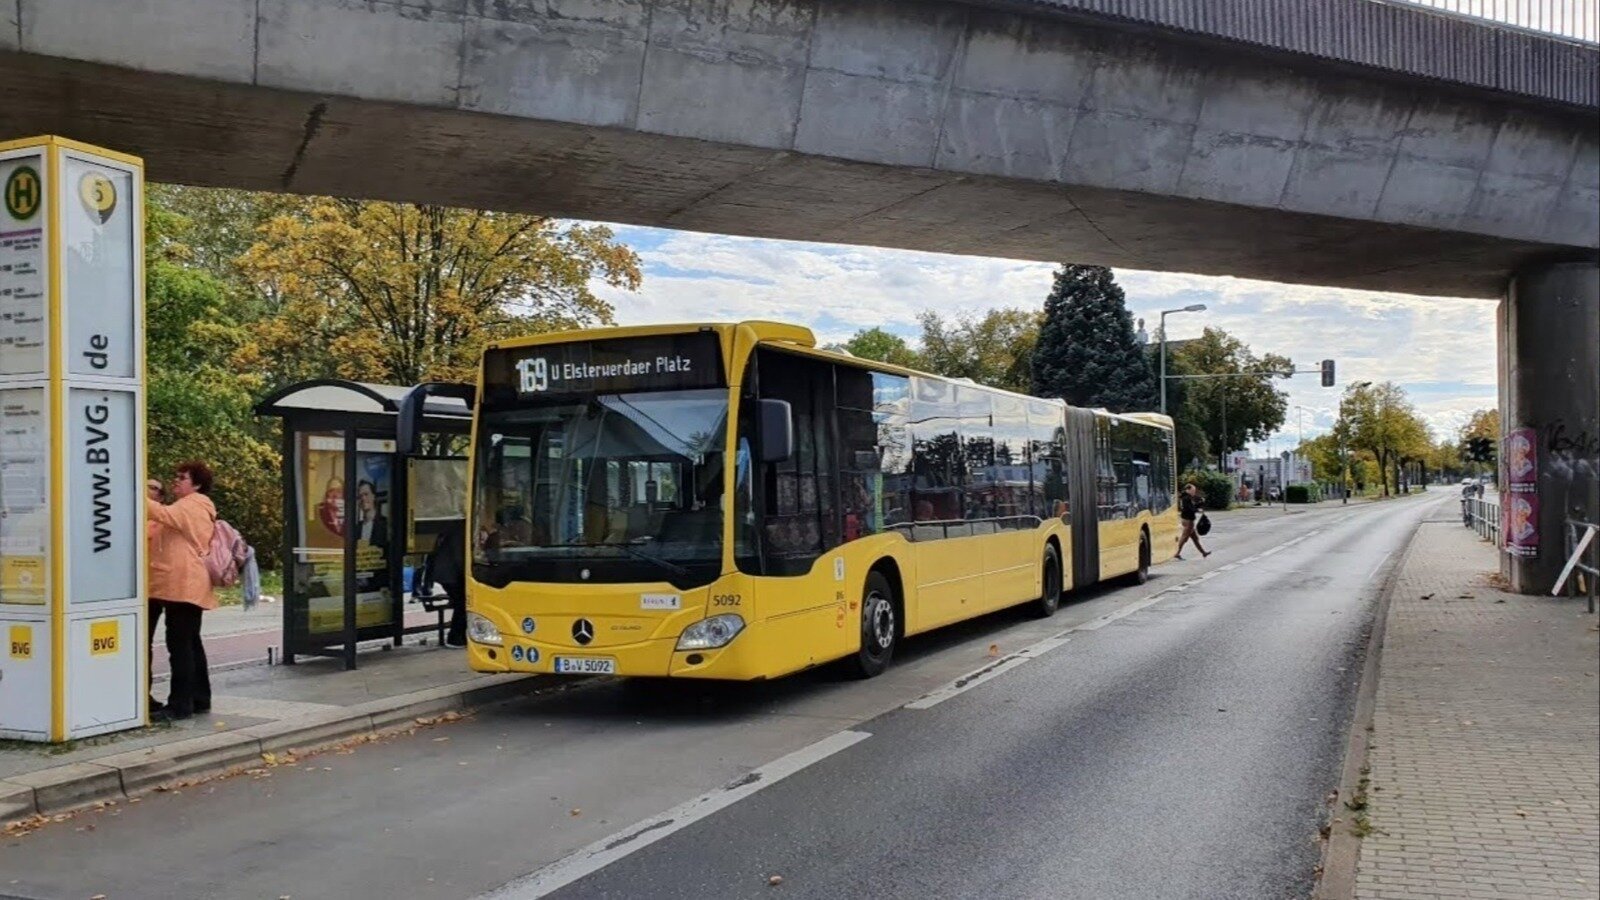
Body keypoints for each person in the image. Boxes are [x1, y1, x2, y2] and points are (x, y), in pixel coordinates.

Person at [146, 460, 218, 721]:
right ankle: (199, 698)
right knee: (190, 643)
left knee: (180, 645)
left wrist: (130, 491)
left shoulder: (194, 505)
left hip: (183, 585)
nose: (176, 481)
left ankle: (180, 704)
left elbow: (160, 514)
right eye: (175, 476)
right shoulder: (190, 506)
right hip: (184, 585)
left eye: (182, 477)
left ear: (196, 484)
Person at [145, 479, 166, 713]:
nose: (146, 489)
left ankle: (145, 693)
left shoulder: (157, 522)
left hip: (152, 590)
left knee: (144, 641)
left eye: (152, 488)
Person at [1175, 482, 1210, 561]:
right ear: (1188, 490)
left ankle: (1203, 552)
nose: (1194, 492)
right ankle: (1176, 553)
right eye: (1193, 490)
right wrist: (1197, 509)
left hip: (1187, 519)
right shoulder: (1186, 498)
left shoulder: (1185, 497)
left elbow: (1192, 507)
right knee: (1184, 538)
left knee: (1195, 538)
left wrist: (1199, 503)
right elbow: (1189, 509)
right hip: (1188, 520)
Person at [355, 479, 389, 556]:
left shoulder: (385, 524)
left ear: (373, 496)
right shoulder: (356, 528)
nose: (363, 498)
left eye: (366, 494)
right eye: (360, 496)